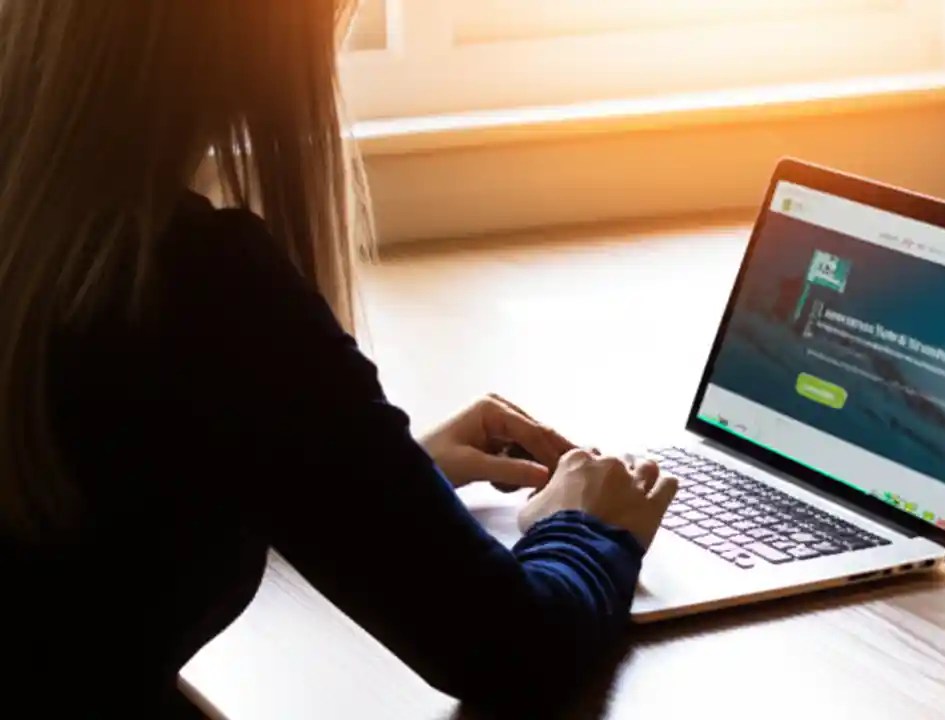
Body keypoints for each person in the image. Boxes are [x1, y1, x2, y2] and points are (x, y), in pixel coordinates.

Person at [0, 2, 676, 715]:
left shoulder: (50, 240)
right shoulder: (196, 283)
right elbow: (514, 649)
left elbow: (121, 496)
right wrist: (585, 524)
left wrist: (369, 480)